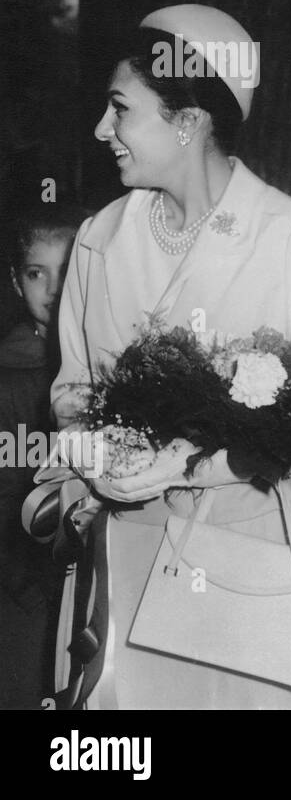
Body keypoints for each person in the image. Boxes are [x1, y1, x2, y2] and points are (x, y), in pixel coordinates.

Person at [44, 4, 291, 710]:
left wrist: (186, 465)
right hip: (123, 548)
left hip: (249, 559)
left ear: (187, 121)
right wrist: (102, 462)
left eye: (120, 109)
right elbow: (73, 391)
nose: (102, 129)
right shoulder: (100, 238)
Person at [0, 204, 84, 708]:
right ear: (16, 281)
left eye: (68, 273)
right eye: (37, 274)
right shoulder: (8, 373)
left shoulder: (103, 364)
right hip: (21, 576)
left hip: (89, 567)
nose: (53, 291)